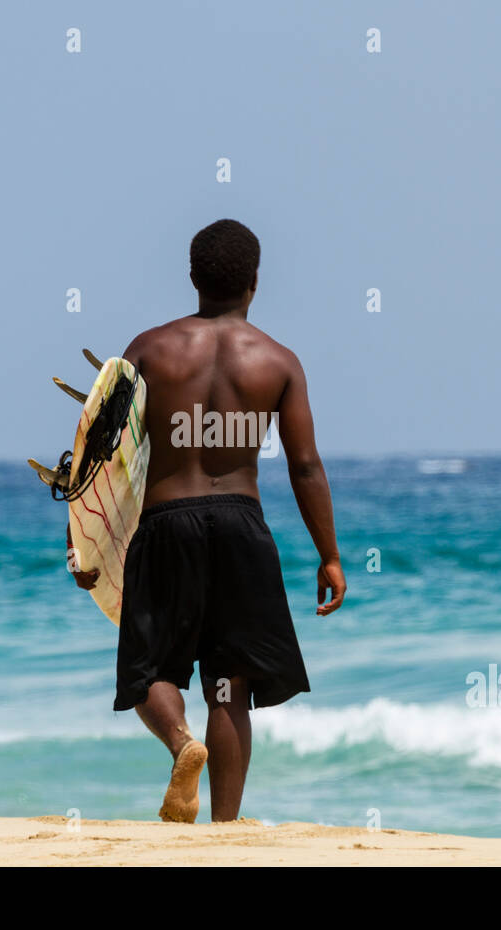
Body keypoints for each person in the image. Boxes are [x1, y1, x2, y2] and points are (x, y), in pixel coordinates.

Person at [69, 218, 345, 823]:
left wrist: (83, 546)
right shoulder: (279, 361)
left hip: (167, 522)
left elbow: (98, 454)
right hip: (243, 526)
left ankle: (179, 744)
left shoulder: (148, 349)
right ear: (255, 282)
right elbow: (304, 465)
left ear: (193, 277)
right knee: (231, 683)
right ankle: (224, 827)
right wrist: (328, 554)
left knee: (151, 668)